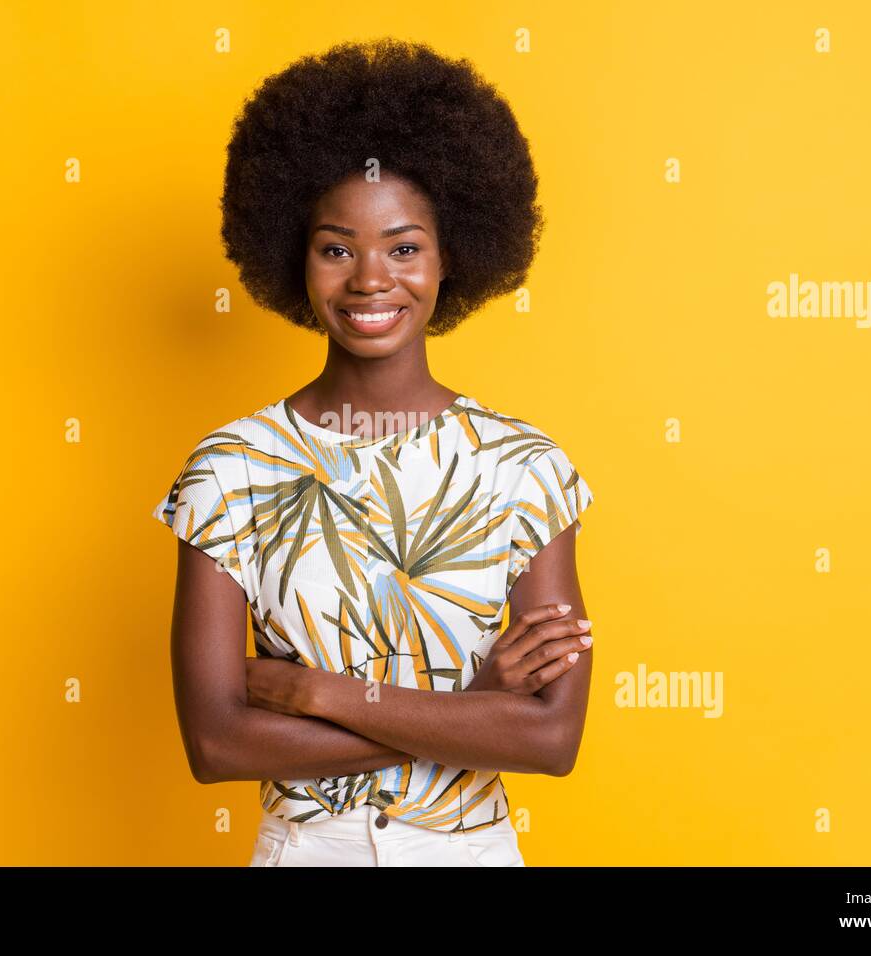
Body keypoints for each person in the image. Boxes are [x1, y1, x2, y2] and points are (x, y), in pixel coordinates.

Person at [155, 37, 594, 866]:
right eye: (336, 248)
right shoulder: (229, 471)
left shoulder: (524, 468)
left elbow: (551, 738)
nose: (369, 280)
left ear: (449, 256)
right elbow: (216, 744)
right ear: (295, 255)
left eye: (402, 247)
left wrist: (314, 692)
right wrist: (470, 710)